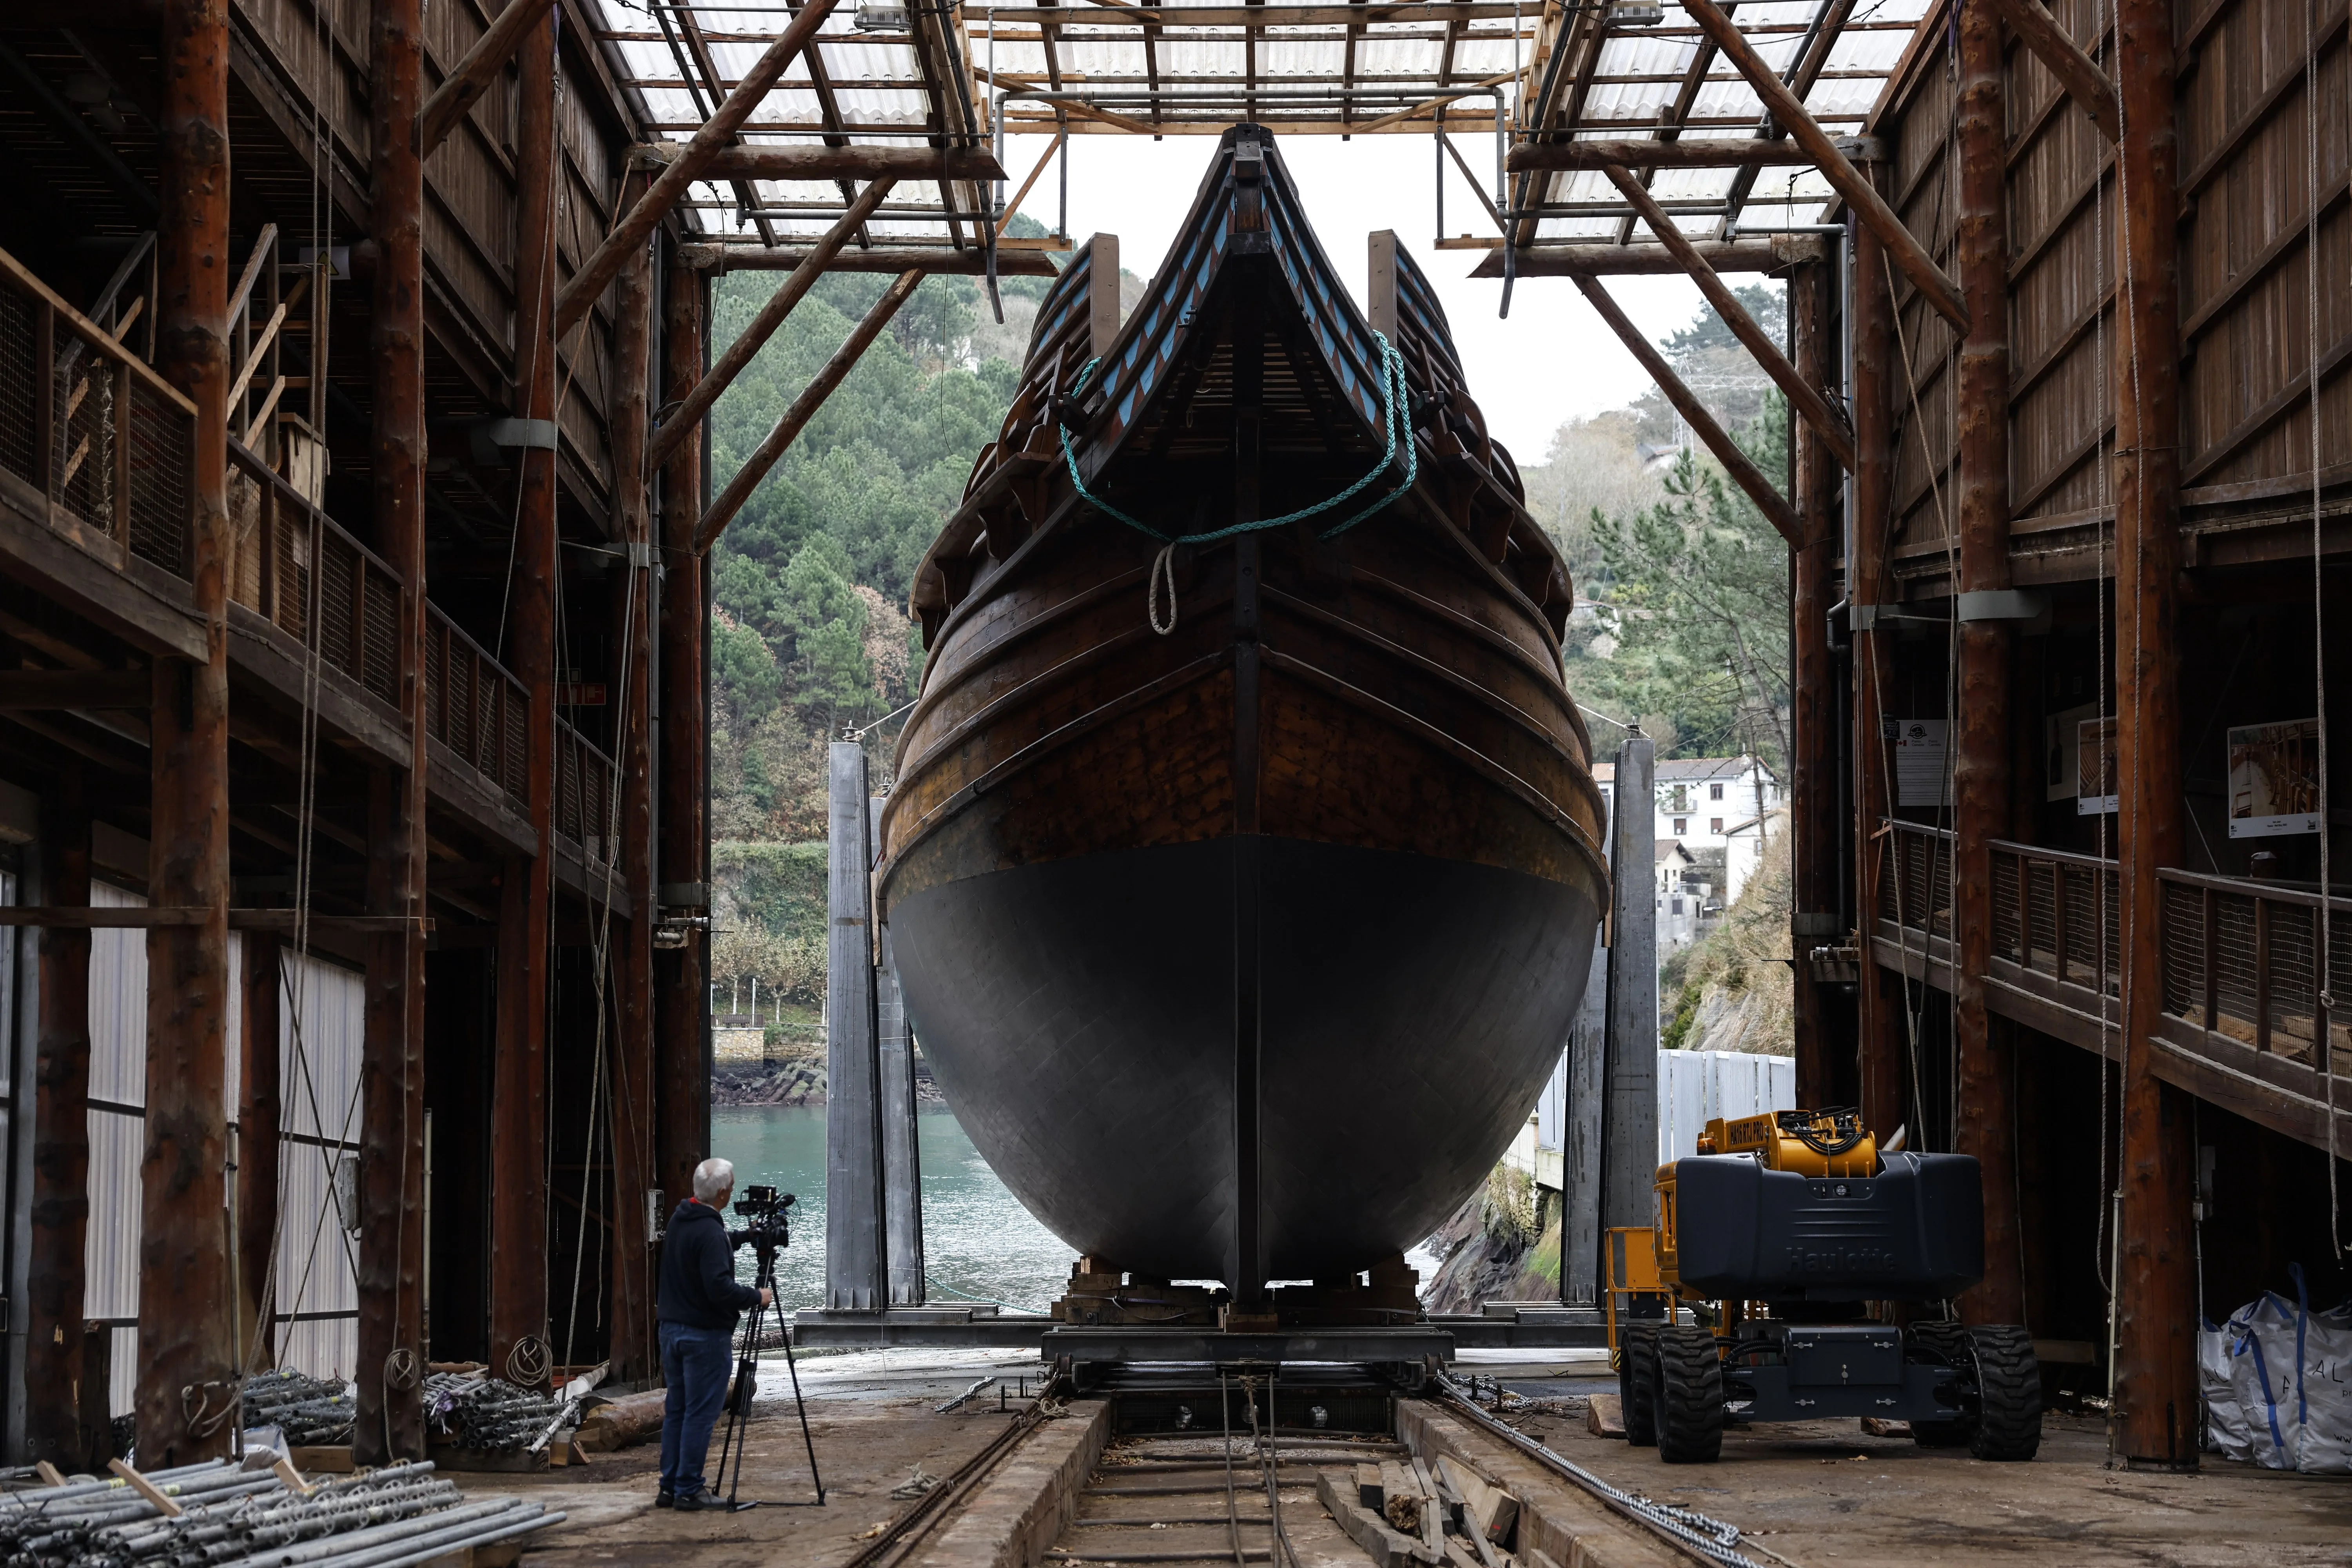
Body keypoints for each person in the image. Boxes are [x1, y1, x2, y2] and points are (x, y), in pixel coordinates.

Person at [656, 1156, 772, 1510]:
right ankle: (690, 1490)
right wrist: (758, 1297)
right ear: (722, 1193)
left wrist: (744, 1236)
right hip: (703, 1336)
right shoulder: (709, 1231)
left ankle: (670, 1487)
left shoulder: (683, 1217)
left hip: (672, 1331)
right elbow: (719, 1288)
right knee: (700, 1415)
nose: (734, 1190)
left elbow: (709, 1244)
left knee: (677, 1409)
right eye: (732, 1186)